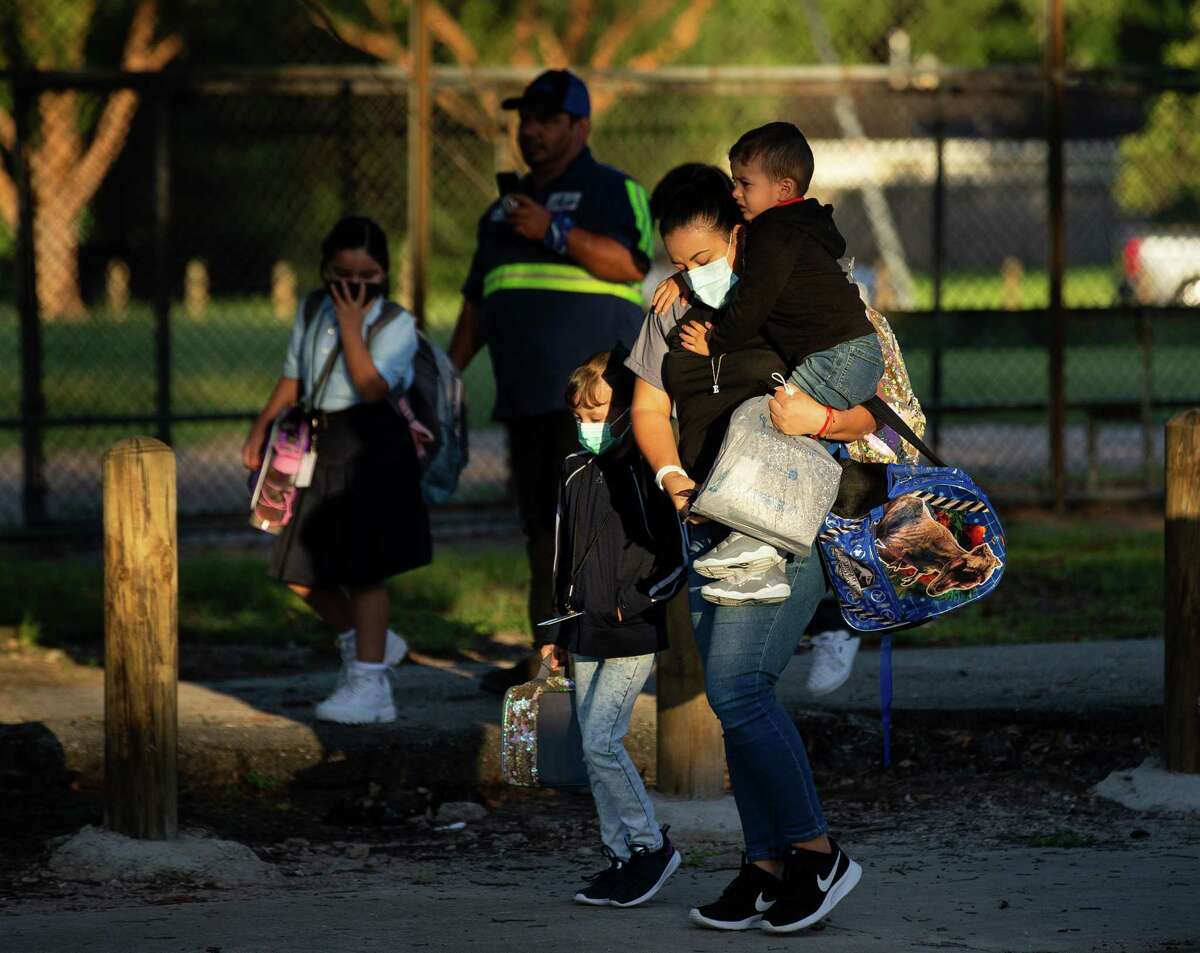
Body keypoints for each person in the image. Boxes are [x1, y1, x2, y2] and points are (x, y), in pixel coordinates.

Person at [627, 167, 880, 933]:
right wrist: (673, 478)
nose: (687, 272)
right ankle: (766, 864)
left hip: (784, 528)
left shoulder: (792, 293)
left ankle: (818, 851)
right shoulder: (670, 307)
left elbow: (875, 406)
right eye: (676, 259)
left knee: (738, 691)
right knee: (739, 702)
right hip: (704, 525)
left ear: (739, 234)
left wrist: (820, 421)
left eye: (701, 256)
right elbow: (648, 403)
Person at [447, 69, 654, 694]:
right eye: (524, 118)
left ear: (579, 126)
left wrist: (555, 231)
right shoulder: (499, 213)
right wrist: (445, 376)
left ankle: (609, 652)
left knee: (601, 523)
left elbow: (631, 262)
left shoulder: (613, 190)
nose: (529, 129)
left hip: (593, 401)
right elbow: (478, 301)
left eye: (545, 118)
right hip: (525, 397)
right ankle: (551, 656)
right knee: (543, 529)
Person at [652, 123, 884, 608]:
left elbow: (751, 304)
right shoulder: (797, 229)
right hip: (847, 355)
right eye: (734, 183)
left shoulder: (773, 235)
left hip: (843, 358)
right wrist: (688, 284)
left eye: (744, 184)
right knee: (774, 421)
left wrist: (715, 341)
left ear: (782, 189)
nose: (735, 192)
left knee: (764, 419)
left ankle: (758, 544)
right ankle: (756, 544)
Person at [241, 216, 432, 725]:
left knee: (365, 569)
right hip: (315, 439)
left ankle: (371, 686)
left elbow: (372, 388)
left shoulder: (397, 324)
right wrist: (262, 426)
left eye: (367, 275)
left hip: (372, 445)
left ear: (385, 274)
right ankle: (372, 640)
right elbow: (293, 374)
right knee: (294, 563)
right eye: (341, 273)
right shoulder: (310, 307)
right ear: (325, 269)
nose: (352, 285)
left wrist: (352, 329)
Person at [546, 350, 687, 908]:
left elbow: (674, 557)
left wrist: (637, 603)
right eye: (579, 414)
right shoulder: (573, 469)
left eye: (599, 412)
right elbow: (561, 554)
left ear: (629, 408)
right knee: (589, 744)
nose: (588, 425)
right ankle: (619, 856)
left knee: (603, 738)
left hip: (633, 629)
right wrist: (555, 626)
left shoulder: (645, 473)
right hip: (582, 628)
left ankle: (652, 846)